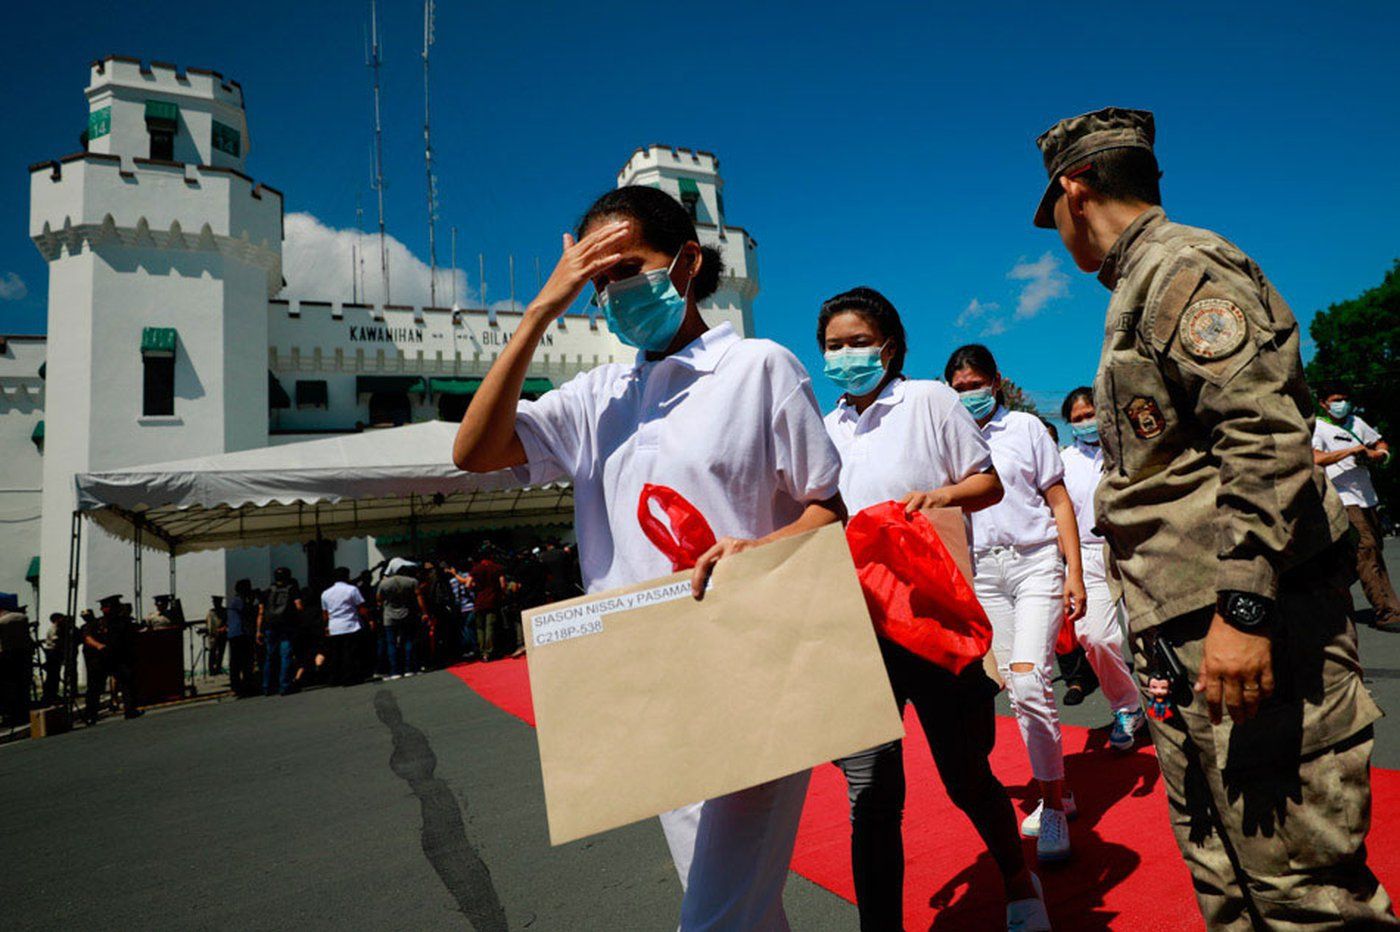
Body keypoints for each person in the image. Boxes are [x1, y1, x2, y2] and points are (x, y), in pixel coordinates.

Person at [1033, 106, 1394, 927]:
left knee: (1304, 891)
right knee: (1226, 874)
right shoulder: (1137, 286)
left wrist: (1243, 607)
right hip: (1179, 631)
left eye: (1053, 215)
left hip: (1243, 626)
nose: (1058, 234)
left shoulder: (1184, 269)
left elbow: (1265, 439)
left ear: (1073, 188)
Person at [452, 184, 845, 930]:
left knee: (713, 920)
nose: (611, 292)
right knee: (743, 912)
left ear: (687, 262)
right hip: (648, 684)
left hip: (757, 663)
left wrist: (757, 549)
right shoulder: (597, 395)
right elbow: (474, 450)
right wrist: (540, 310)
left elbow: (830, 508)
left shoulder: (760, 367)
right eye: (597, 279)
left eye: (626, 267)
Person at [819, 287, 1049, 930]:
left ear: (889, 346)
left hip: (933, 620)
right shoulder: (825, 425)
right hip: (857, 629)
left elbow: (989, 482)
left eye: (857, 341)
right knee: (870, 796)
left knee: (965, 775)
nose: (844, 355)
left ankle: (1016, 879)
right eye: (833, 346)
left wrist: (939, 496)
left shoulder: (928, 400)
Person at [945, 343, 1085, 863]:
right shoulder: (948, 440)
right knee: (1018, 686)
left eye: (975, 385)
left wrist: (1075, 572)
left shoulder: (1025, 429)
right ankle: (1060, 788)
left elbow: (1058, 500)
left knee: (1029, 677)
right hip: (984, 573)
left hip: (1035, 562)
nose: (968, 395)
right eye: (958, 389)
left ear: (996, 382)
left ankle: (1050, 808)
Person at [1059, 387, 1145, 747]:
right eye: (1077, 419)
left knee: (1149, 634)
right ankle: (1127, 705)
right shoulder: (1063, 462)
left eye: (1090, 414)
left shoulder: (1128, 450)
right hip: (1087, 558)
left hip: (1134, 550)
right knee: (1094, 637)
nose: (1085, 423)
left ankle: (1166, 702)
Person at [1312, 383, 1398, 631]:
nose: (1342, 404)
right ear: (1324, 403)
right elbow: (1314, 457)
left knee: (1365, 554)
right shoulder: (1319, 426)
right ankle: (1387, 612)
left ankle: (1324, 600)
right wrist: (1350, 451)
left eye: (1346, 399)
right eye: (1337, 399)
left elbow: (1381, 443)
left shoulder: (1355, 422)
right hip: (1343, 498)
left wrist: (1377, 455)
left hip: (1367, 497)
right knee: (1367, 550)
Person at [82, 595, 140, 722]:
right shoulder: (97, 623)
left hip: (117, 657)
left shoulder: (123, 622)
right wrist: (99, 646)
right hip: (100, 658)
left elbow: (129, 639)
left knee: (126, 681)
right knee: (95, 688)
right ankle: (90, 715)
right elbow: (87, 637)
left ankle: (130, 710)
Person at [257, 567, 303, 696]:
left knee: (269, 657)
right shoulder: (292, 589)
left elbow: (260, 612)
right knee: (285, 656)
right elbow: (299, 606)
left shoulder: (266, 592)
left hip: (270, 627)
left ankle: (267, 687)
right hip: (286, 626)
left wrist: (258, 631)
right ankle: (284, 685)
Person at [321, 566, 369, 686]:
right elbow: (361, 607)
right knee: (351, 653)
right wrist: (368, 620)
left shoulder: (326, 593)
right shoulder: (352, 589)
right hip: (350, 624)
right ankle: (351, 677)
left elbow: (325, 613)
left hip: (334, 626)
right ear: (346, 576)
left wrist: (326, 626)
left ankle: (335, 678)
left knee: (336, 654)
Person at [377, 559, 422, 679]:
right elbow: (418, 598)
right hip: (406, 613)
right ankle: (409, 668)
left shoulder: (384, 583)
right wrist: (423, 612)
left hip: (389, 616)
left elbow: (379, 599)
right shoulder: (412, 581)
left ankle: (395, 670)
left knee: (391, 643)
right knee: (408, 640)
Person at [0, 594, 34, 726]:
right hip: (24, 656)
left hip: (7, 657)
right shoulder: (22, 618)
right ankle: (24, 714)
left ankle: (12, 716)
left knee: (9, 689)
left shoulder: (2, 622)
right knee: (23, 687)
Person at [469, 547, 506, 661]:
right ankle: (489, 651)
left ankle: (481, 651)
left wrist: (476, 589)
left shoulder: (476, 569)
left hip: (479, 601)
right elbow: (503, 585)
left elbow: (468, 584)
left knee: (480, 627)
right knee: (490, 626)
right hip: (492, 601)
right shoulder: (497, 568)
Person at [40, 612, 77, 706]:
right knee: (52, 675)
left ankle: (52, 695)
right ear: (57, 620)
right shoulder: (54, 629)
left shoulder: (59, 628)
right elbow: (57, 642)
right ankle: (49, 695)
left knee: (55, 675)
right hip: (53, 653)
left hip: (55, 653)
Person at [226, 580, 256, 697]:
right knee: (243, 661)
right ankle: (242, 685)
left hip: (235, 634)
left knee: (237, 662)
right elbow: (247, 611)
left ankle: (239, 685)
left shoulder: (235, 600)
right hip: (240, 634)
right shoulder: (238, 601)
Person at [204, 595, 228, 675]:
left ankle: (218, 668)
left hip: (222, 634)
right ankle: (211, 669)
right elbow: (207, 622)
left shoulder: (225, 611)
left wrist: (224, 628)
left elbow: (228, 622)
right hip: (213, 635)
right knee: (212, 652)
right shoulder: (211, 612)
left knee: (221, 652)